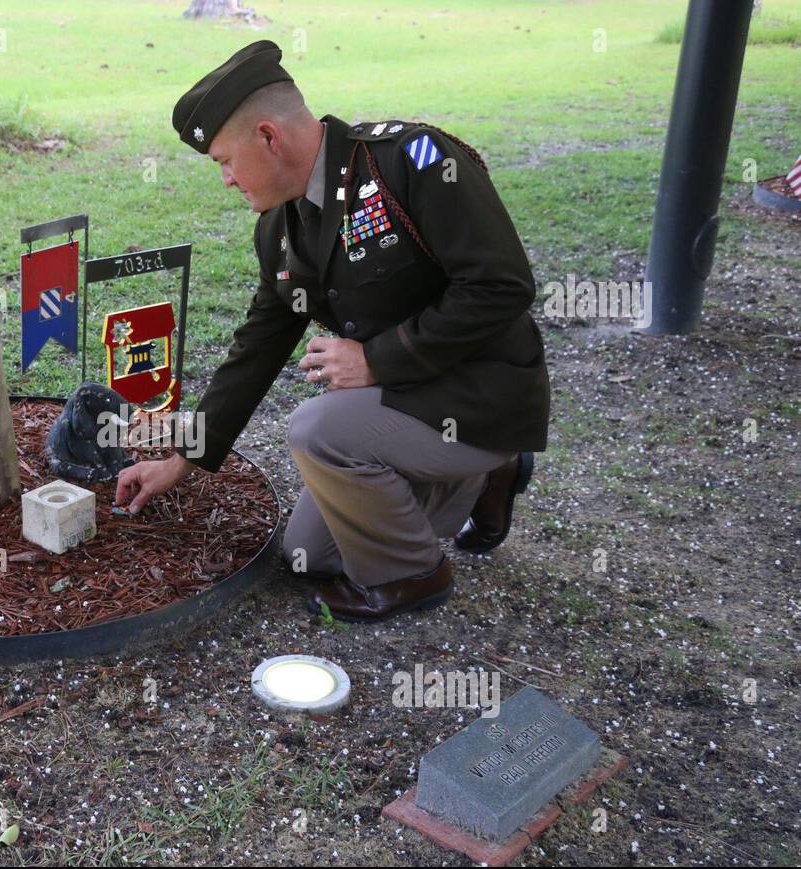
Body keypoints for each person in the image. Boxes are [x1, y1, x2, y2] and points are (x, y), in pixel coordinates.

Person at [114, 40, 549, 622]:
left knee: (318, 427)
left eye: (224, 160)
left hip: (479, 396)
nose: (224, 179)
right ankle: (483, 478)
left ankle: (412, 576)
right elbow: (257, 348)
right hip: (409, 404)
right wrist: (182, 460)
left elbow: (502, 286)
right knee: (306, 555)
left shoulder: (413, 160)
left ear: (269, 137)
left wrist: (376, 360)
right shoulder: (279, 228)